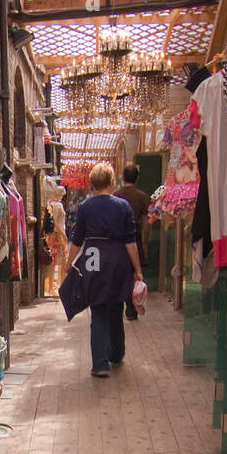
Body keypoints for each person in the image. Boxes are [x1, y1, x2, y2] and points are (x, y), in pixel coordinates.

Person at [65, 161, 143, 377]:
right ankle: (116, 353)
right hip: (118, 260)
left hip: (93, 259)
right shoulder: (123, 206)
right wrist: (137, 270)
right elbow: (131, 242)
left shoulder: (85, 208)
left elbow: (77, 239)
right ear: (111, 182)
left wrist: (68, 263)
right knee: (116, 306)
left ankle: (100, 364)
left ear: (92, 184)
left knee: (98, 308)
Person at [117, 164, 151, 320]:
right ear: (137, 178)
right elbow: (146, 222)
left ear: (123, 178)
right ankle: (131, 309)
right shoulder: (142, 196)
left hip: (118, 236)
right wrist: (145, 240)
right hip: (135, 234)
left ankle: (119, 304)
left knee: (120, 271)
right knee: (134, 272)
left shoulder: (116, 195)